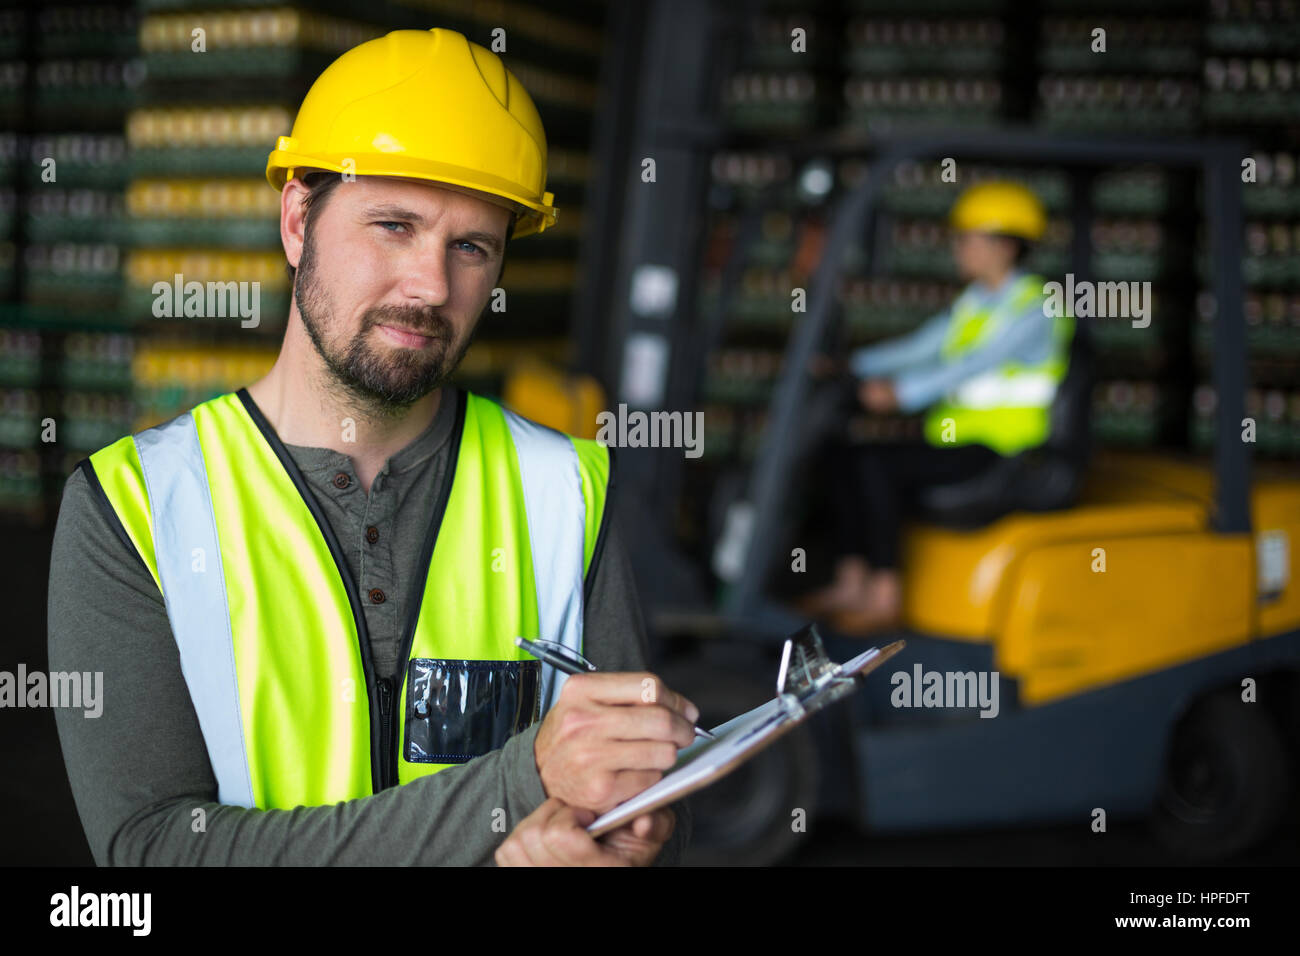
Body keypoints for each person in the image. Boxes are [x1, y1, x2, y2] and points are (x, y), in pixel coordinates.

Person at [47, 27, 694, 867]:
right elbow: (156, 850)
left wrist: (624, 844)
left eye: (471, 247)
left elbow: (630, 804)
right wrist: (514, 791)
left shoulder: (564, 488)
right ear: (297, 220)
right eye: (394, 225)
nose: (432, 285)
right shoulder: (134, 506)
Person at [801, 181, 1073, 635]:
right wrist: (852, 364)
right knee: (842, 455)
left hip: (1004, 450)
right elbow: (923, 346)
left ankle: (885, 596)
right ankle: (852, 581)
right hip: (959, 441)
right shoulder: (977, 302)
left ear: (1004, 245)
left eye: (967, 238)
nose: (958, 248)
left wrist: (902, 394)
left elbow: (973, 364)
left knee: (879, 465)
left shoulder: (1035, 308)